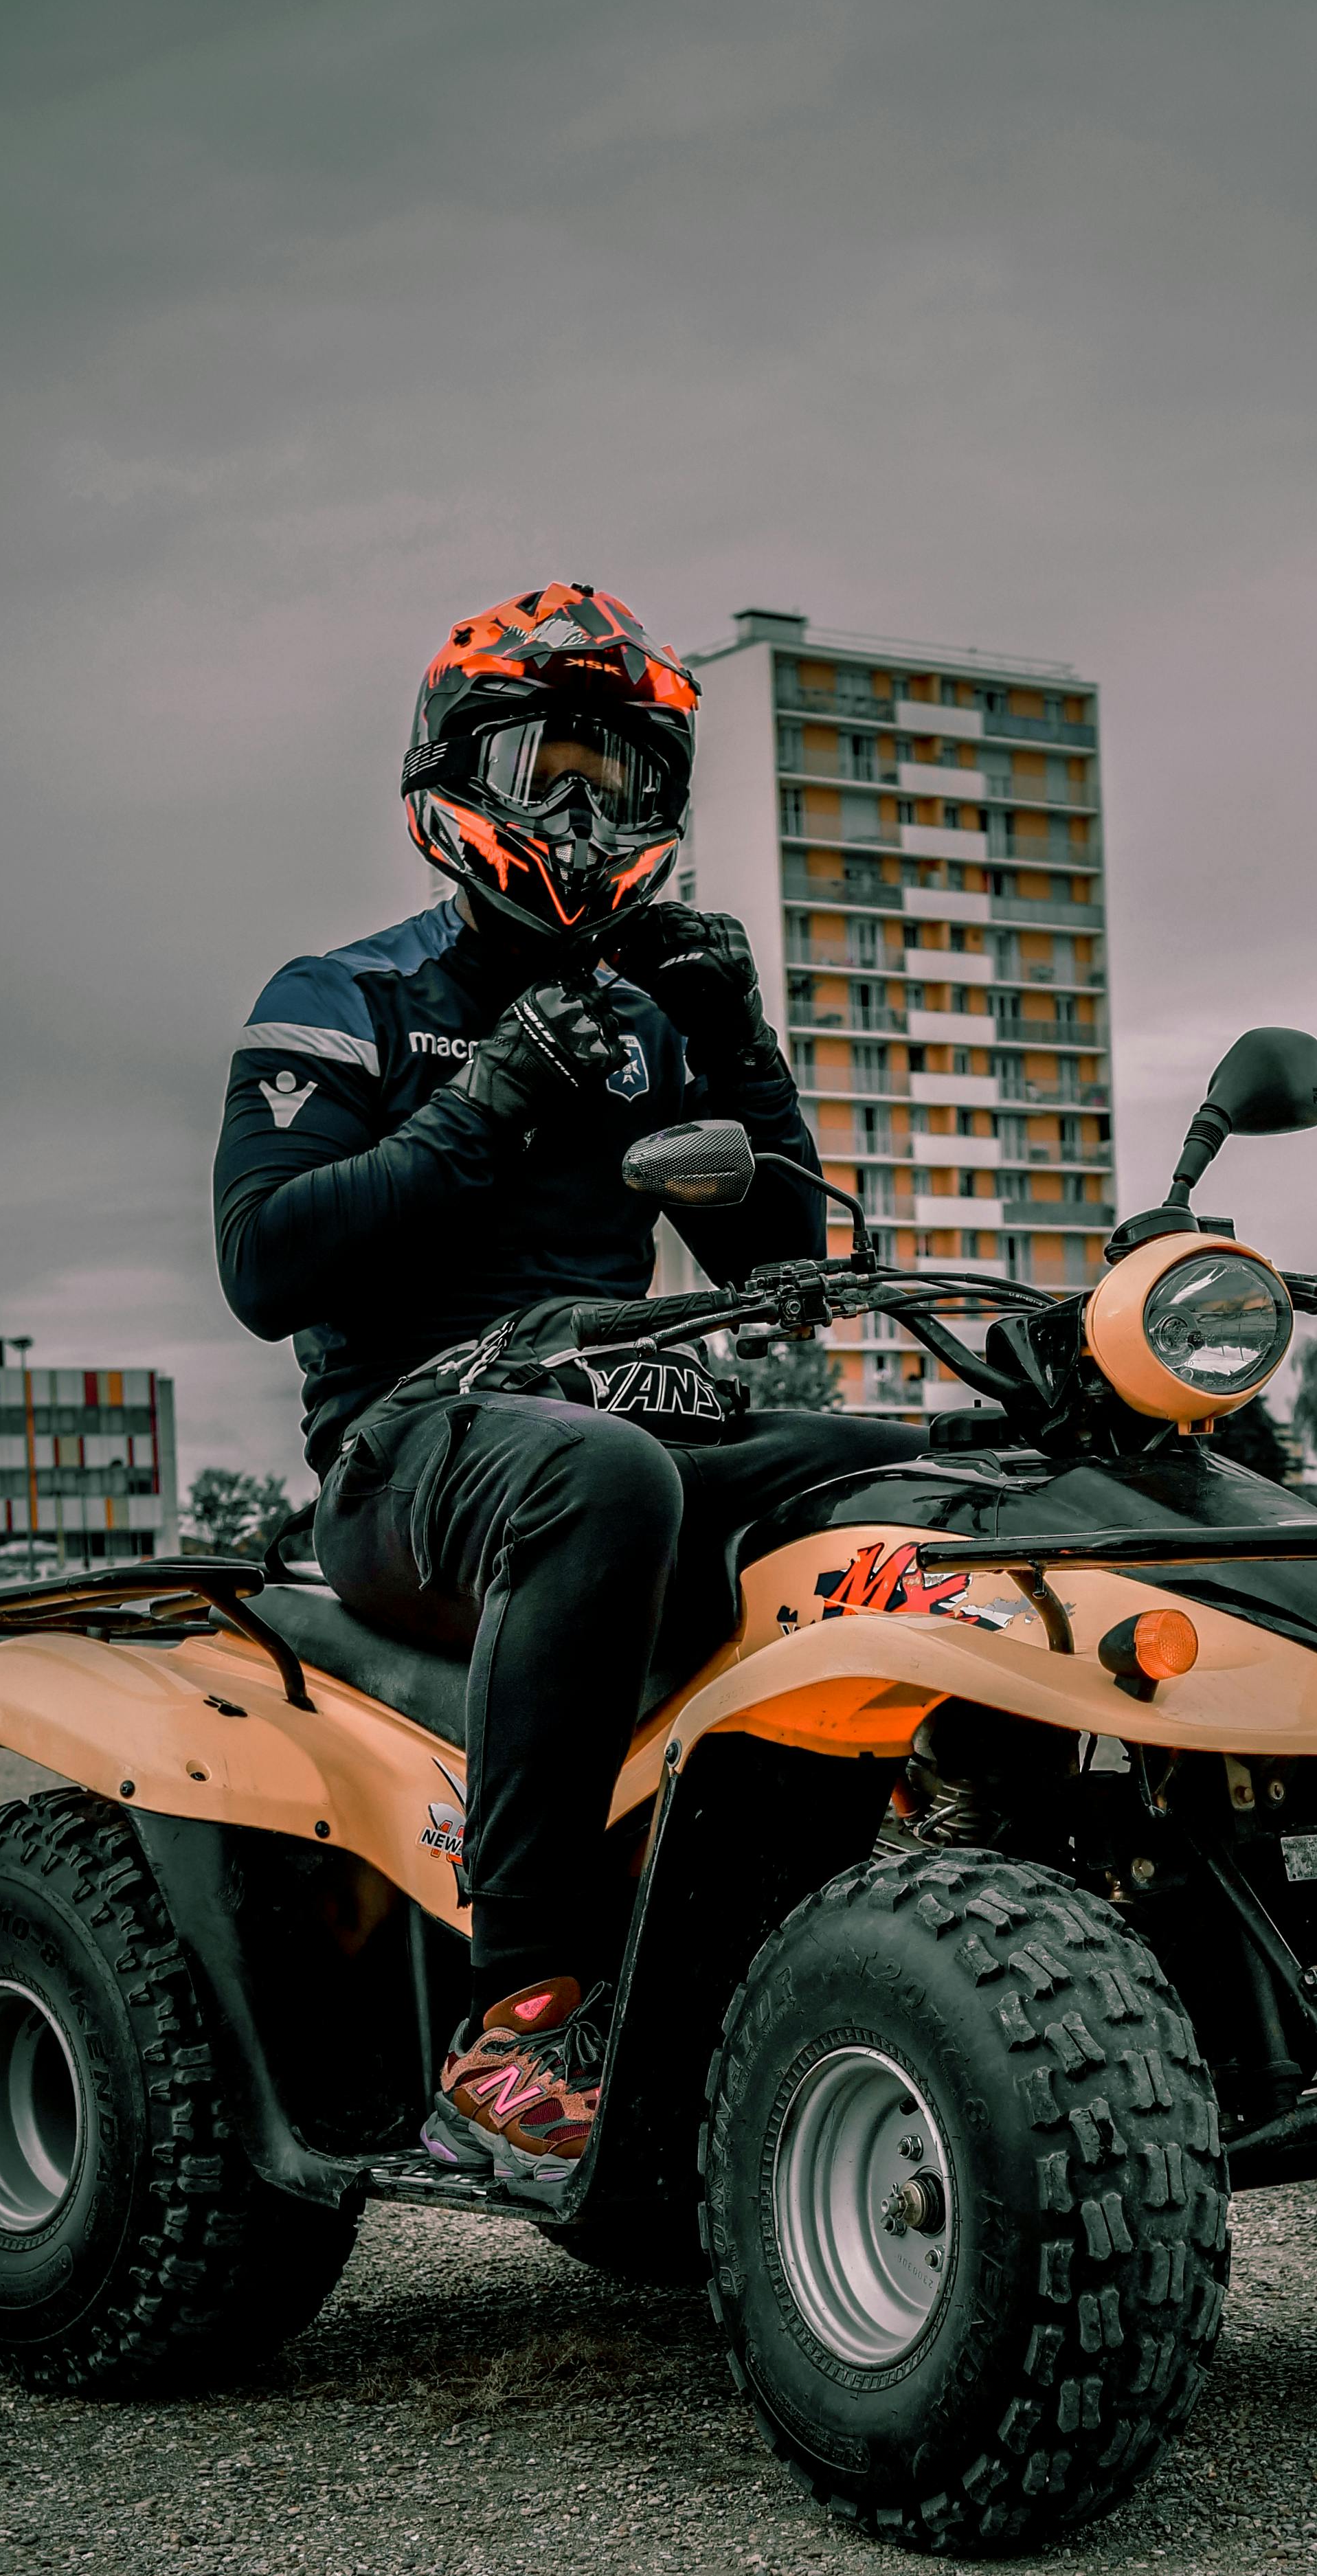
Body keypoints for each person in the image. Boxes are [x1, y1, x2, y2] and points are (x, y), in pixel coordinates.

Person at [214, 581, 921, 2198]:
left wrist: (737, 1045)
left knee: (899, 1470)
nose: (589, 814)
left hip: (616, 1413)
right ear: (463, 773)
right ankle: (516, 2010)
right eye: (552, 769)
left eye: (623, 779)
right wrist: (493, 1099)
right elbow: (267, 1267)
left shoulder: (646, 1029)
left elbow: (783, 1263)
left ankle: (893, 1897)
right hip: (405, 1451)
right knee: (604, 1481)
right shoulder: (343, 997)